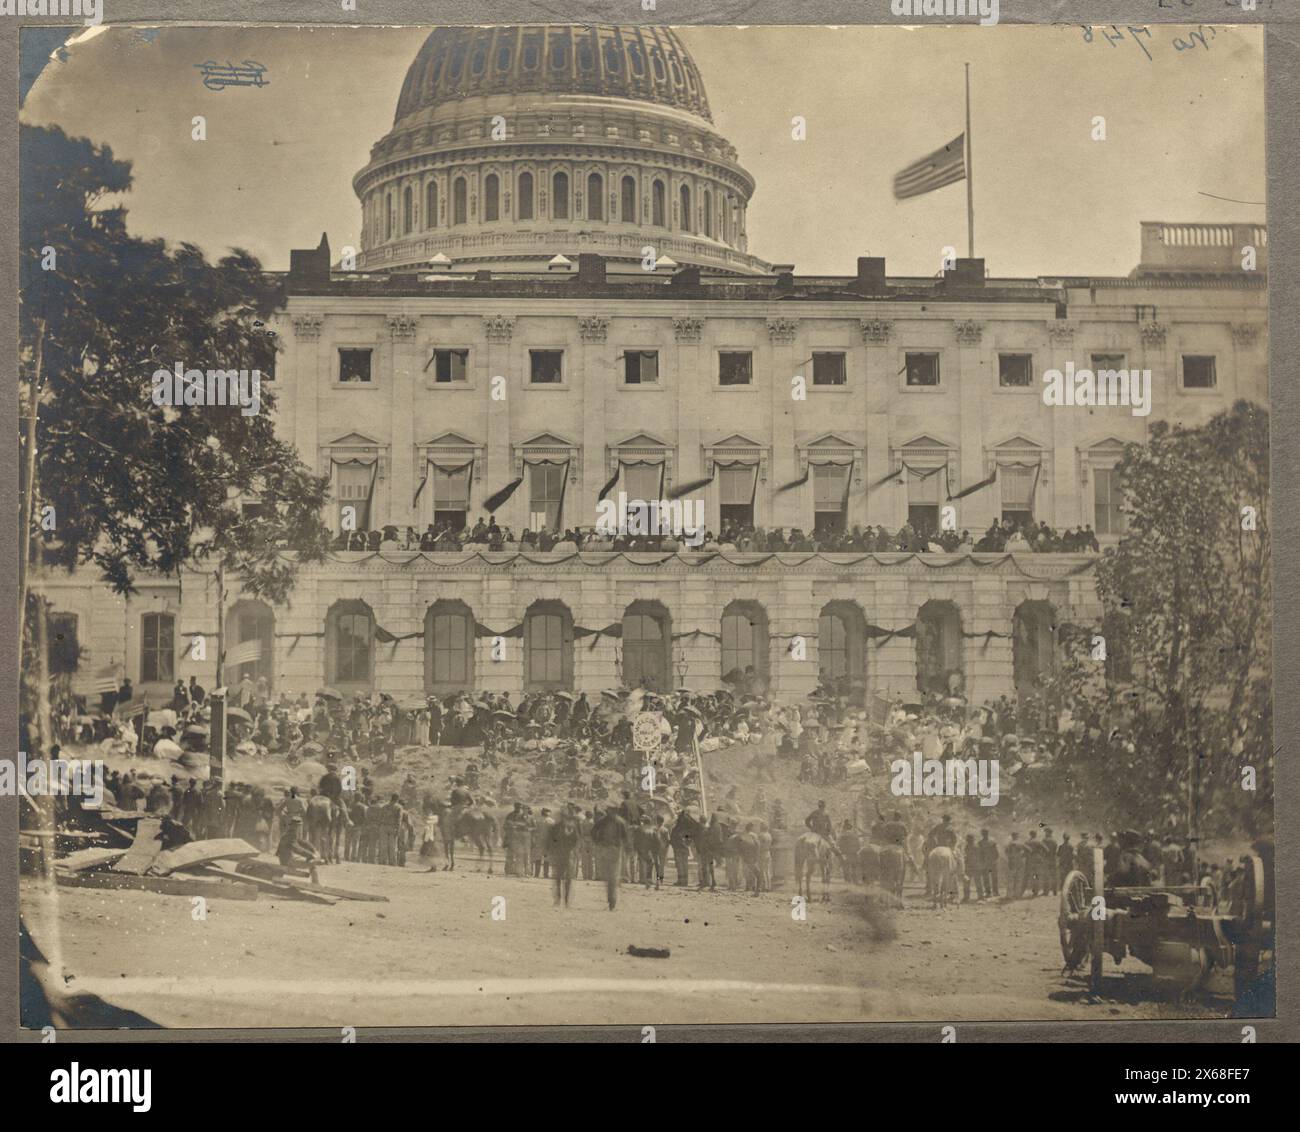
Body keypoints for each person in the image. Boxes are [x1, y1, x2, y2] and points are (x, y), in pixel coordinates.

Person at [591, 805, 632, 911]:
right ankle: (612, 901)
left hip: (609, 849)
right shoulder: (620, 822)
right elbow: (626, 838)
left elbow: (593, 832)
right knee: (612, 877)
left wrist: (598, 842)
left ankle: (612, 901)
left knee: (611, 877)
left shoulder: (603, 821)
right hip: (614, 849)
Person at [546, 805, 582, 907]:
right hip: (559, 854)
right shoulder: (556, 827)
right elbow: (550, 840)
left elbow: (578, 840)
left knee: (568, 878)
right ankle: (557, 900)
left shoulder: (575, 826)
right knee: (557, 877)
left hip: (569, 854)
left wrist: (574, 850)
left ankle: (567, 901)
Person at [1006, 832, 1026, 900]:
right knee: (1019, 879)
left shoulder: (1009, 844)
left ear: (1012, 836)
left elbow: (1006, 853)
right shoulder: (1021, 844)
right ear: (1017, 836)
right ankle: (1017, 895)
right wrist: (1022, 855)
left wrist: (1010, 858)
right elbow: (1029, 850)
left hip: (1012, 862)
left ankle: (1009, 895)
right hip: (1019, 862)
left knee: (1011, 879)